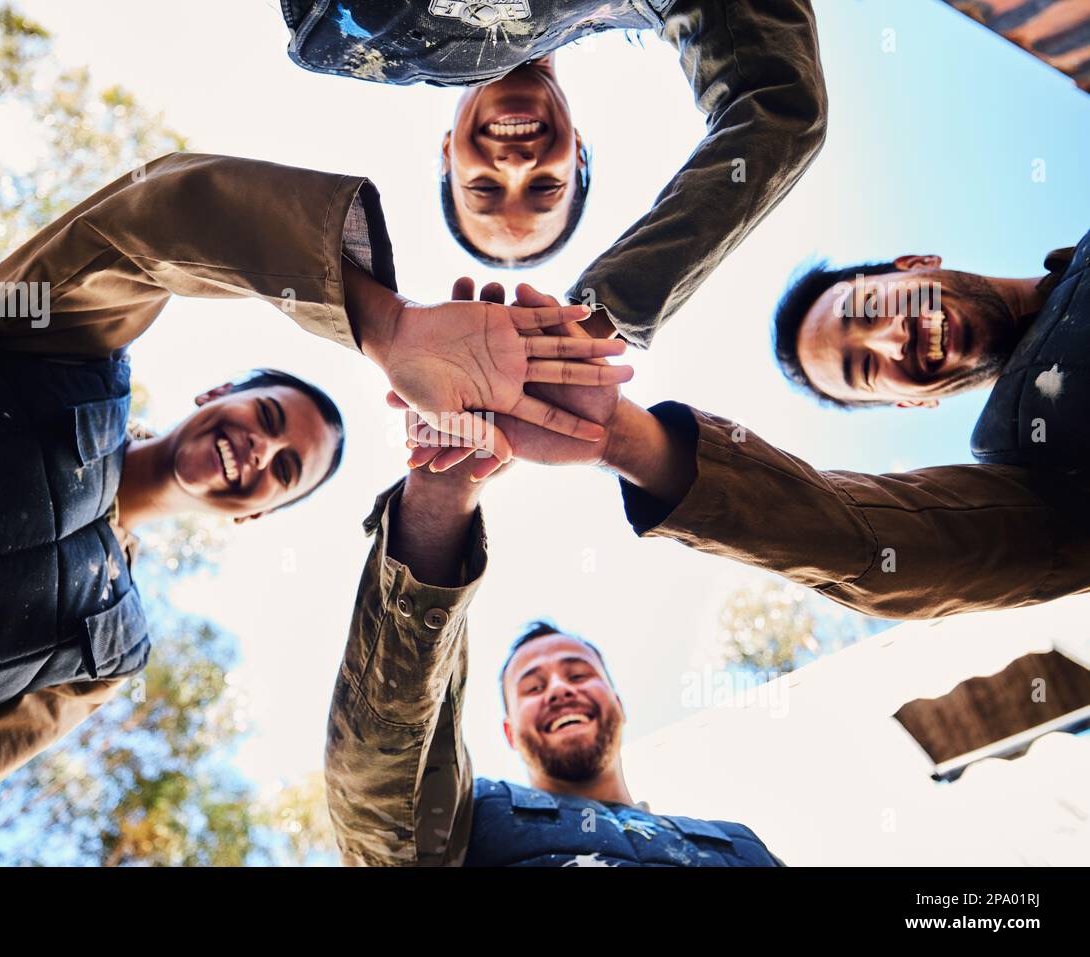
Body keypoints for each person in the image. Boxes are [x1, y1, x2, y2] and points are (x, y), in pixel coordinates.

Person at [0, 152, 627, 863]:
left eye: (283, 468)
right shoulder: (62, 357)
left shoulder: (102, 649)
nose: (256, 451)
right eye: (265, 418)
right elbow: (148, 223)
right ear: (217, 391)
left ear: (253, 515)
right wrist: (387, 324)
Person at [407, 272, 1090, 622]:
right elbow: (882, 547)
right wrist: (621, 438)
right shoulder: (1038, 472)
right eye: (865, 371)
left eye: (868, 309)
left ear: (914, 265)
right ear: (914, 403)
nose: (894, 341)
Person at [324, 382, 781, 866]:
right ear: (509, 733)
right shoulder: (467, 819)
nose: (560, 688)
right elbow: (378, 794)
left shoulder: (738, 845)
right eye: (532, 686)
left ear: (620, 705)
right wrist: (442, 490)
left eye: (578, 672)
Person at [279, 0, 828, 346]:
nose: (516, 166)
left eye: (484, 189)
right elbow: (776, 109)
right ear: (579, 155)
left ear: (448, 154)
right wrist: (603, 315)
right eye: (546, 186)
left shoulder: (354, 43)